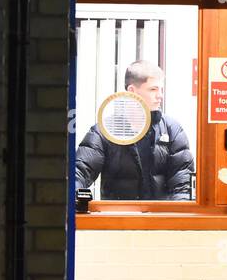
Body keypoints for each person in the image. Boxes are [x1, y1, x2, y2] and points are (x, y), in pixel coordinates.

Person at [75, 60, 194, 200]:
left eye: (161, 89)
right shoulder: (104, 131)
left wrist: (175, 219)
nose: (160, 95)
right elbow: (80, 172)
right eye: (153, 89)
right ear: (132, 91)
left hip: (161, 219)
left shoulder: (172, 129)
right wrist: (74, 200)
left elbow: (184, 184)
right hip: (117, 220)